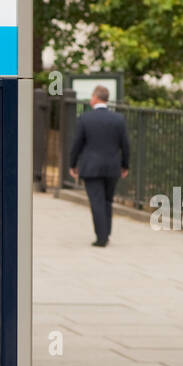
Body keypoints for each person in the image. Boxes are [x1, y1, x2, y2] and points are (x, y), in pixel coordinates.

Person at [69, 85, 130, 247]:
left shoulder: (85, 118)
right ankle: (106, 233)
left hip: (91, 168)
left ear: (96, 98)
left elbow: (77, 144)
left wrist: (72, 164)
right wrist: (125, 165)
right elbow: (125, 145)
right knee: (107, 201)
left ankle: (101, 238)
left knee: (96, 202)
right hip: (112, 168)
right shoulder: (119, 119)